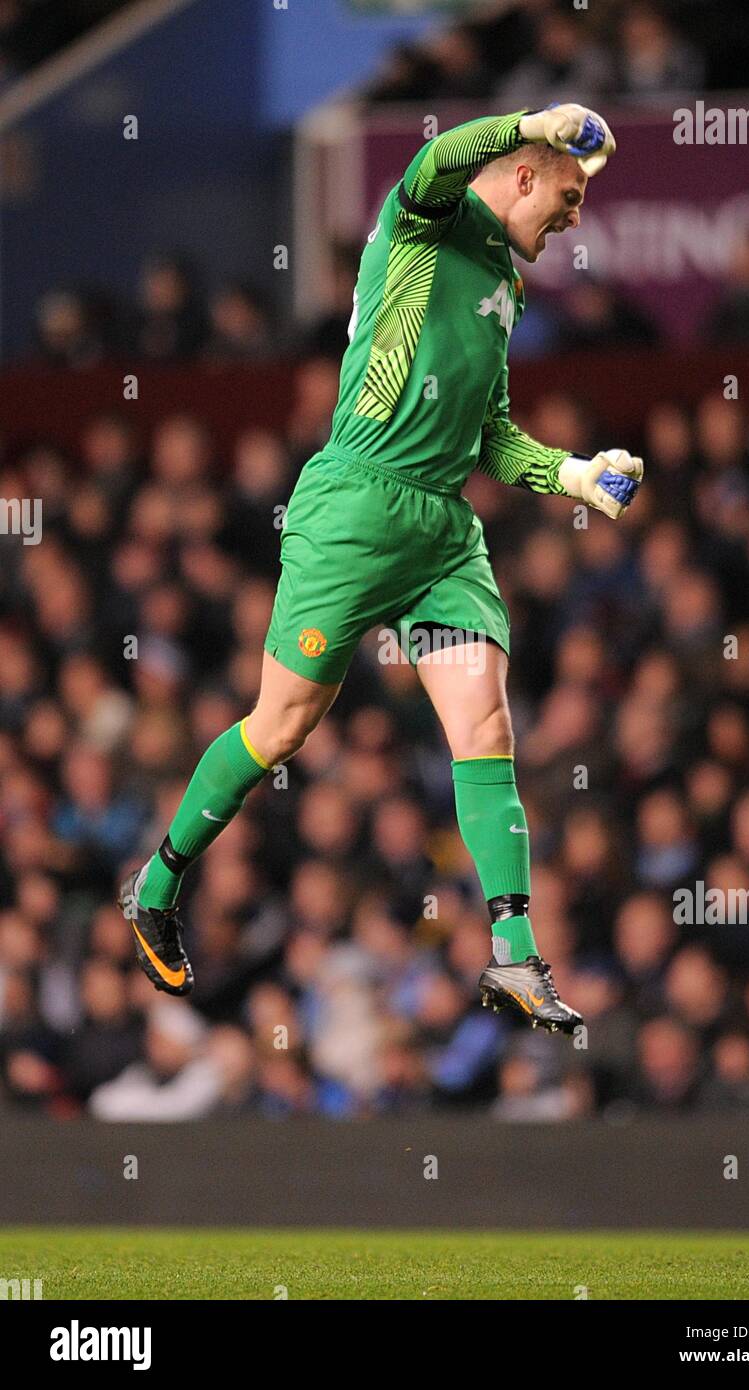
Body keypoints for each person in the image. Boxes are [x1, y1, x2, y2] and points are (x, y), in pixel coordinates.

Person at [118, 104, 643, 1035]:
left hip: (443, 528)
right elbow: (441, 155)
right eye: (567, 195)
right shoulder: (425, 221)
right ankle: (157, 885)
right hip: (358, 508)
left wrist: (570, 473)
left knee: (485, 726)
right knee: (279, 731)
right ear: (522, 173)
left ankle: (516, 957)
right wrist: (531, 117)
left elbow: (487, 433)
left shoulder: (507, 291)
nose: (572, 218)